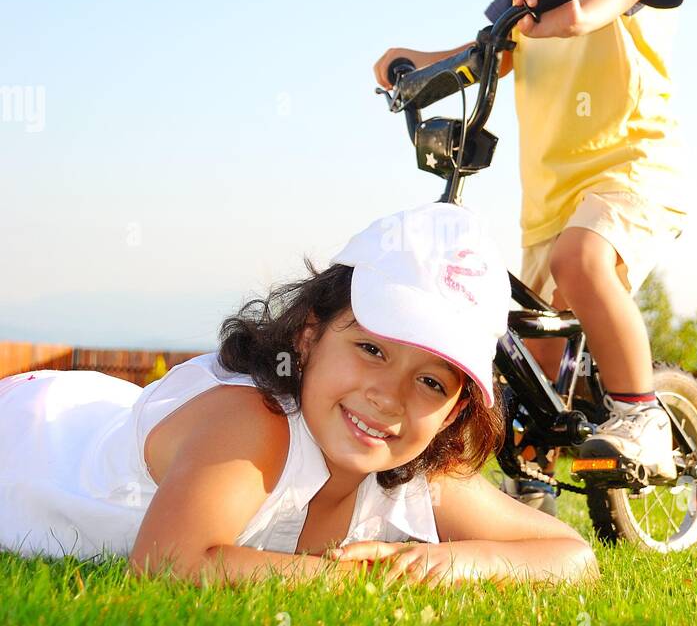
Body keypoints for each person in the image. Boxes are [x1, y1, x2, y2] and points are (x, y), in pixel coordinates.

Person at [374, 0, 687, 513]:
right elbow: (497, 48)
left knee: (586, 260)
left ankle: (643, 418)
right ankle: (531, 484)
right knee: (531, 352)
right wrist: (422, 64)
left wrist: (578, 8)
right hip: (549, 187)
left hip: (630, 169)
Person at [0, 201, 599, 588]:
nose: (388, 397)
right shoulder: (253, 422)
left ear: (453, 413)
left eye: (431, 381)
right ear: (309, 333)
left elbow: (572, 556)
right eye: (371, 348)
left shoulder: (415, 476)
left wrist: (462, 562)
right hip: (32, 433)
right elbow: (166, 564)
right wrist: (355, 582)